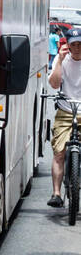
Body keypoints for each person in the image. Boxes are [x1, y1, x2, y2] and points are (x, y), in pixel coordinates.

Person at [47, 26, 81, 208]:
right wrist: (59, 60)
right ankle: (56, 193)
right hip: (66, 111)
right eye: (73, 45)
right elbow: (53, 84)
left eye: (80, 44)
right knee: (59, 153)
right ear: (68, 45)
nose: (77, 48)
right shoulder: (62, 60)